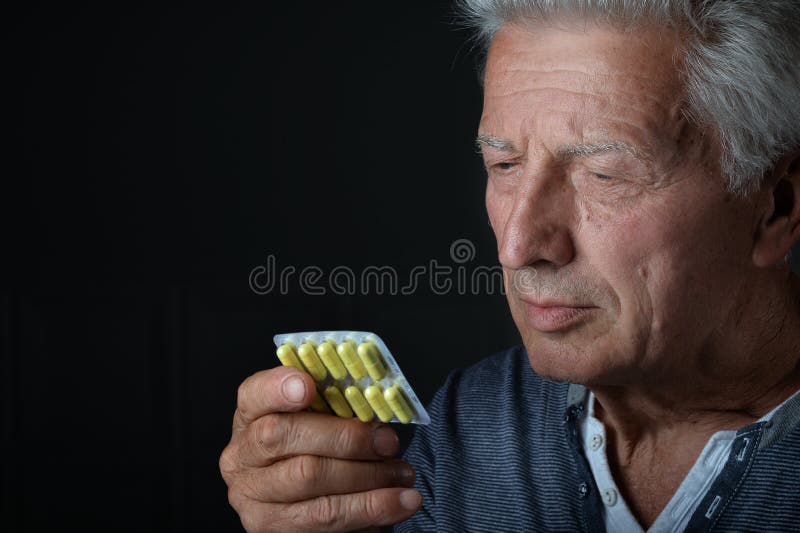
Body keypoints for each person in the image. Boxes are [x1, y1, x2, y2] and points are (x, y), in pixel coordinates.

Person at [219, 1, 800, 531]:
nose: (517, 245)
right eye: (504, 164)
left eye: (603, 175)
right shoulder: (463, 428)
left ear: (774, 209)